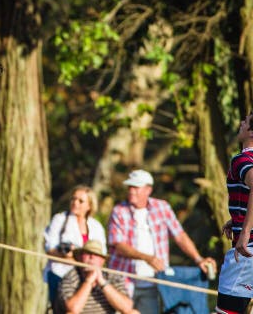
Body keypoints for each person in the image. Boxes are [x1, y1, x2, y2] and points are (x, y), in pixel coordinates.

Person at [107, 169, 216, 313]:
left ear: (148, 190)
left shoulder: (162, 207)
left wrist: (198, 259)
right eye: (130, 187)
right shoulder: (119, 211)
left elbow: (179, 235)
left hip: (153, 282)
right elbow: (118, 245)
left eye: (136, 187)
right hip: (123, 281)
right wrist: (147, 258)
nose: (131, 191)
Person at [44, 185, 106, 306]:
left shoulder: (96, 226)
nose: (75, 203)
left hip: (87, 278)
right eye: (73, 199)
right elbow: (50, 249)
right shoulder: (60, 219)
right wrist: (70, 257)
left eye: (80, 201)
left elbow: (102, 253)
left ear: (89, 206)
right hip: (60, 274)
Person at [216, 113, 253, 314]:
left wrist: (245, 231)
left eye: (246, 122)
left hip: (247, 251)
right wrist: (238, 217)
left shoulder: (243, 159)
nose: (241, 123)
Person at [56, 240, 135, 314]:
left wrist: (102, 282)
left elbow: (127, 307)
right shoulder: (70, 277)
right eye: (87, 253)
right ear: (80, 257)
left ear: (102, 261)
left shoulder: (111, 276)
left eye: (96, 255)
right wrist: (89, 281)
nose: (92, 257)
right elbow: (73, 308)